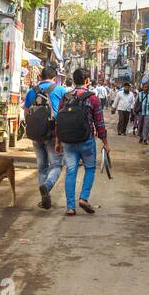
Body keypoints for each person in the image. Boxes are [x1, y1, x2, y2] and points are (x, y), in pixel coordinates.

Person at [55, 68, 109, 217]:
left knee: (71, 171)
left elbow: (59, 122)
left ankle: (70, 207)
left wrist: (58, 141)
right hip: (87, 139)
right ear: (86, 81)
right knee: (90, 169)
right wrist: (105, 143)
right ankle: (83, 198)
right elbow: (100, 124)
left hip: (68, 141)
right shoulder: (93, 98)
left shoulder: (65, 97)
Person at [23, 65, 66, 209]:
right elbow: (66, 113)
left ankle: (44, 198)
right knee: (56, 165)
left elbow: (26, 112)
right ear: (54, 78)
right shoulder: (60, 90)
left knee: (42, 167)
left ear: (40, 77)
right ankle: (47, 187)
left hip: (36, 133)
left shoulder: (31, 91)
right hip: (54, 133)